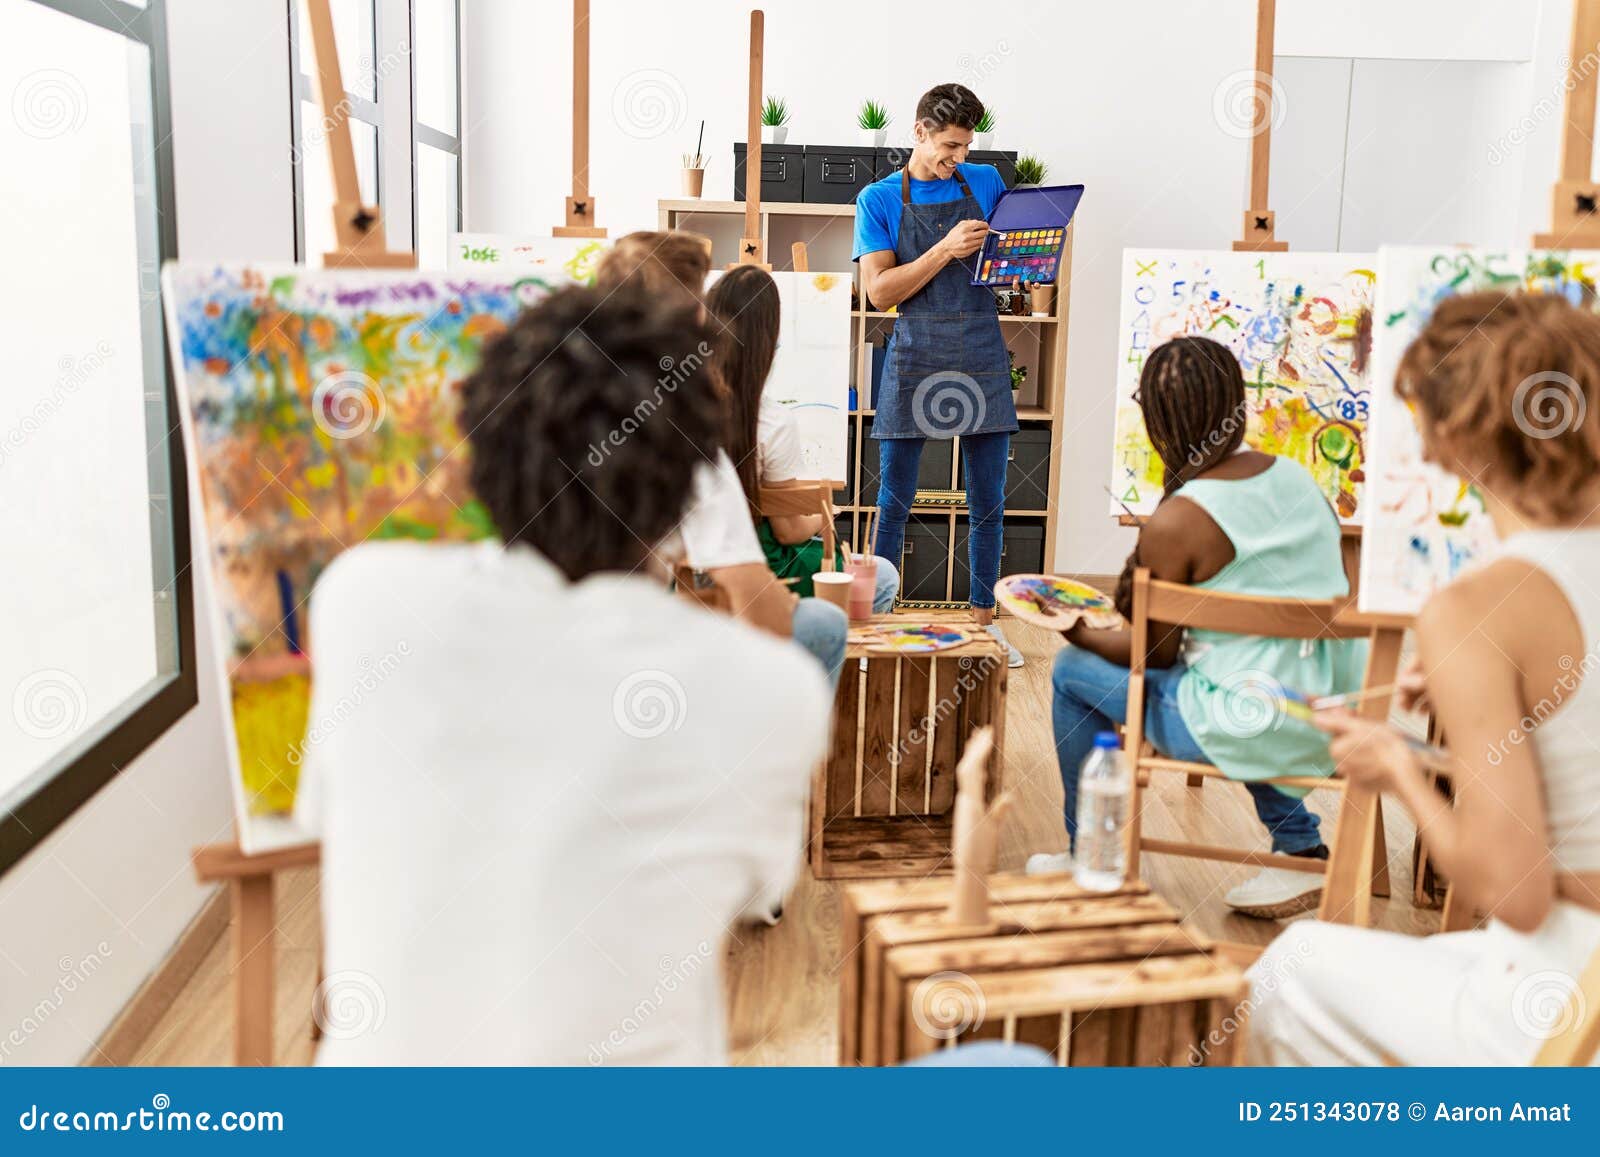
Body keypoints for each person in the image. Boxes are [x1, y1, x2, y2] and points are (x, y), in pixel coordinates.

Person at [298, 286, 831, 1064]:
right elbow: (753, 893)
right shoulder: (770, 691)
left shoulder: (361, 601)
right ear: (688, 487)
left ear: (479, 450)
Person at [1250, 291, 1600, 1065]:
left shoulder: (1483, 606)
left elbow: (1514, 889)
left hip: (1563, 1008)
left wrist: (1400, 767)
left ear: (1456, 434)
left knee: (1286, 969)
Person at [1026, 336, 1365, 922]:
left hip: (1242, 725)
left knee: (1073, 672)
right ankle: (1300, 847)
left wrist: (1074, 629)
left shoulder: (1180, 518)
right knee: (1245, 677)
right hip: (1329, 715)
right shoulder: (1299, 480)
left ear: (1160, 421)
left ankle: (1088, 851)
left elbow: (1151, 658)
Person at [594, 231, 849, 686]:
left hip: (594, 643)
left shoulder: (576, 407)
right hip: (656, 638)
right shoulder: (700, 439)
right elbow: (754, 591)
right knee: (831, 619)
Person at [853, 83, 1023, 668]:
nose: (959, 158)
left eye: (966, 146)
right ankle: (874, 623)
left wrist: (1030, 252)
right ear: (919, 132)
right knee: (892, 500)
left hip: (980, 344)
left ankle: (983, 627)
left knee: (988, 501)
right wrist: (944, 250)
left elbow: (1004, 264)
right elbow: (879, 293)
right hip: (916, 349)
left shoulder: (984, 182)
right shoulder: (877, 199)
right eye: (950, 145)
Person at [704, 264, 899, 610]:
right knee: (882, 576)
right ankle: (817, 651)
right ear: (769, 339)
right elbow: (787, 532)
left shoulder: (673, 406)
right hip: (759, 575)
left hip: (695, 572)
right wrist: (824, 514)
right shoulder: (771, 420)